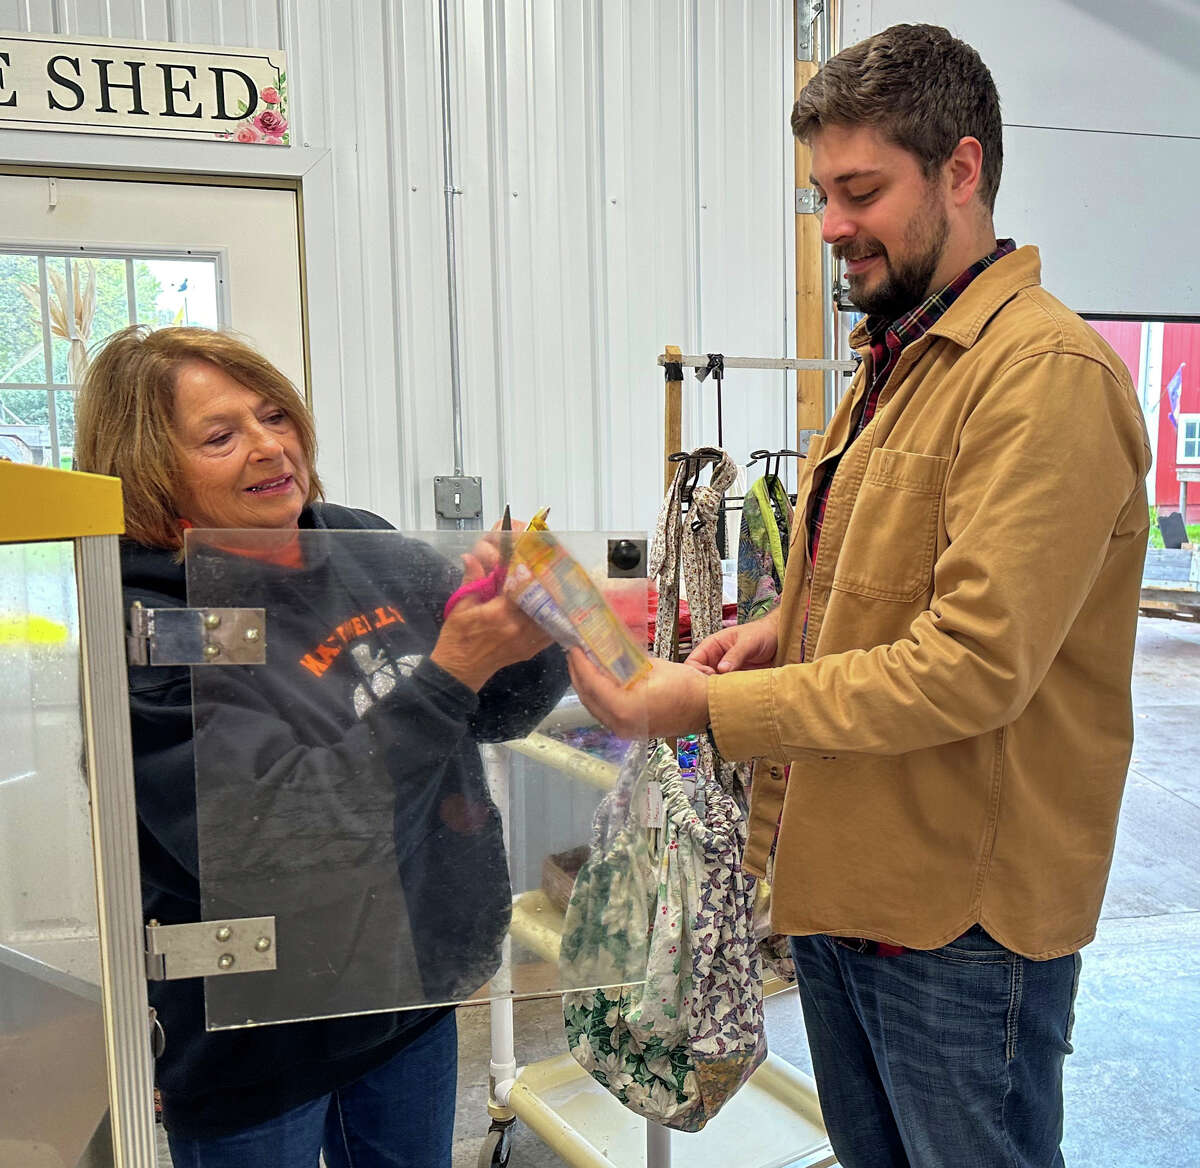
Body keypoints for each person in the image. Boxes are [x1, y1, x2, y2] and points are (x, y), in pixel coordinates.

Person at [568, 23, 1151, 1168]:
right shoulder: (900, 362)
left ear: (962, 170)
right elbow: (891, 579)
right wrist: (781, 630)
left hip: (960, 923)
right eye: (821, 194)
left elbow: (976, 663)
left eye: (859, 190)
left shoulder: (1044, 379)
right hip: (847, 881)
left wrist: (706, 709)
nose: (831, 224)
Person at [76, 324, 566, 1167]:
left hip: (405, 996)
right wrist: (454, 667)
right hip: (257, 1043)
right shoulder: (155, 619)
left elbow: (500, 711)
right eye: (221, 436)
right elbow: (284, 836)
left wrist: (533, 627)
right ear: (150, 466)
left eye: (275, 415)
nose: (271, 447)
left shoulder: (357, 542)